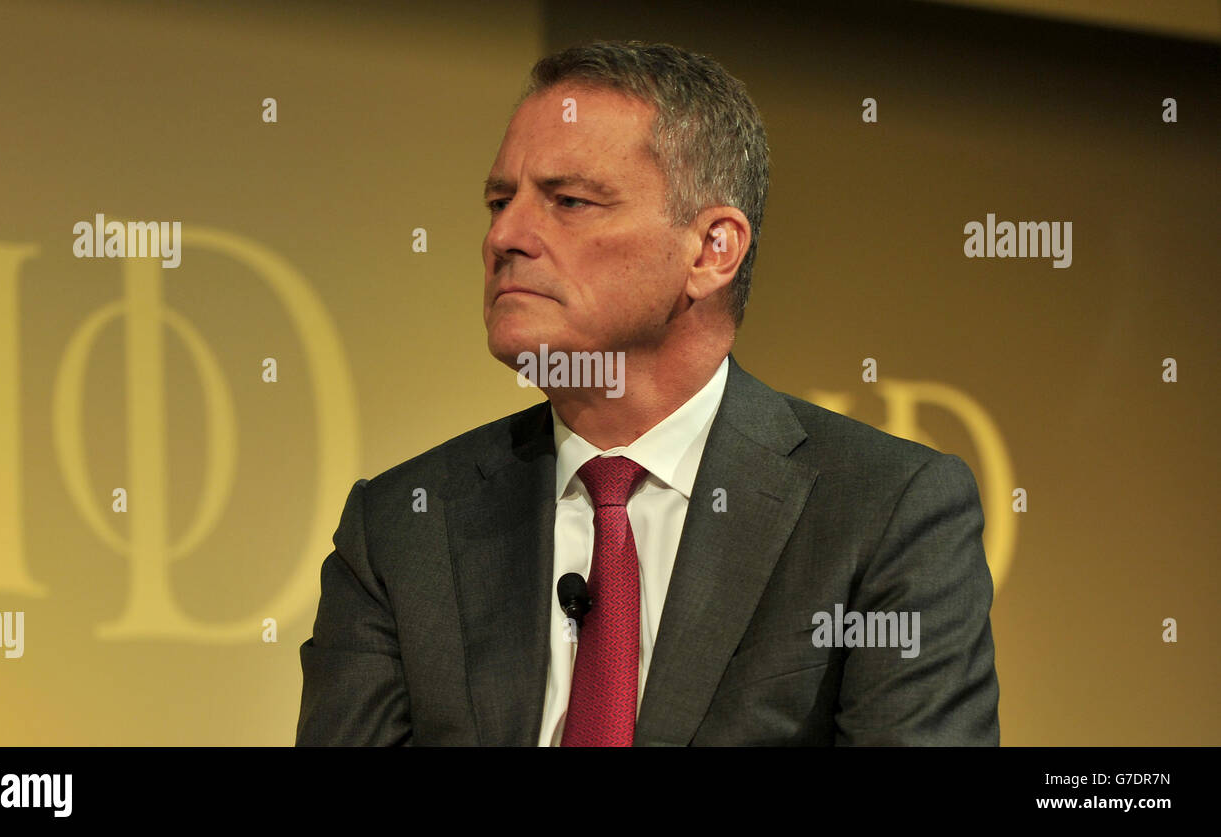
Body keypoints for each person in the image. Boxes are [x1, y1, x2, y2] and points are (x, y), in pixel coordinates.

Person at [296, 40, 999, 746]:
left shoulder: (885, 512)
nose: (505, 235)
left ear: (711, 249)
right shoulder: (400, 528)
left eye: (569, 201)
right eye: (499, 200)